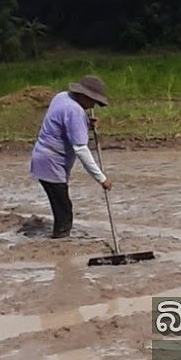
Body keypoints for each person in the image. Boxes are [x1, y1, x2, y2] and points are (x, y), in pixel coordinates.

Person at [29, 75, 113, 239]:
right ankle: (61, 242)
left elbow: (63, 124)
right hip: (51, 162)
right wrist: (101, 178)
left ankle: (61, 236)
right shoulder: (74, 110)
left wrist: (85, 124)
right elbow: (81, 149)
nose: (93, 105)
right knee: (64, 210)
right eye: (92, 101)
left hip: (43, 157)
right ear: (83, 96)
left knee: (61, 206)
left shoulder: (62, 97)